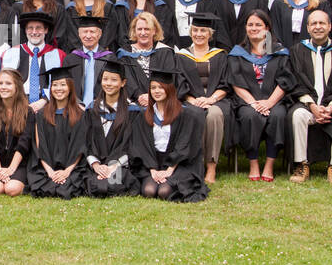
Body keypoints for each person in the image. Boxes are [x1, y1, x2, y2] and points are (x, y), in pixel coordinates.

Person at [287, 8, 332, 184]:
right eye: (314, 23)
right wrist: (312, 106)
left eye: (322, 23)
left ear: (329, 26)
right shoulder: (297, 50)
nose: (318, 27)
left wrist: (330, 107)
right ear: (308, 27)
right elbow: (296, 82)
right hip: (308, 104)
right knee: (296, 115)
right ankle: (301, 164)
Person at [226, 9, 294, 181]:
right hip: (248, 101)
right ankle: (253, 163)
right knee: (249, 116)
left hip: (274, 100)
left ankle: (269, 165)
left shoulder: (279, 51)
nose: (254, 28)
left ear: (267, 28)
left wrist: (270, 102)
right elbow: (235, 81)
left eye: (258, 25)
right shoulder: (238, 53)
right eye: (250, 25)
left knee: (278, 115)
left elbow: (284, 81)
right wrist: (254, 103)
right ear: (245, 28)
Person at [128, 62, 208, 201]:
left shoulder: (184, 115)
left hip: (178, 164)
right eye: (153, 88)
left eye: (161, 87)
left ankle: (170, 178)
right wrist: (153, 170)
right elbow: (140, 146)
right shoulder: (144, 115)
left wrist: (169, 170)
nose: (156, 91)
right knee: (149, 190)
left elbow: (184, 145)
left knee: (164, 192)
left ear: (169, 89)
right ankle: (154, 176)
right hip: (151, 163)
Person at [176, 13, 230, 184]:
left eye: (203, 31)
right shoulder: (182, 56)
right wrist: (193, 100)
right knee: (194, 114)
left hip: (216, 99)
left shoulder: (220, 55)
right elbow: (179, 83)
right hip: (190, 100)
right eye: (195, 30)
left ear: (209, 34)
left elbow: (226, 83)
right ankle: (195, 165)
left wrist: (211, 99)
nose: (199, 34)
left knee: (214, 115)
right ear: (191, 32)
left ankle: (211, 166)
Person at [83, 59, 142, 196]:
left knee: (110, 186)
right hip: (96, 166)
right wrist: (96, 165)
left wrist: (115, 166)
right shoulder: (92, 110)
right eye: (105, 79)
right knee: (96, 186)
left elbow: (135, 145)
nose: (108, 84)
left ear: (123, 83)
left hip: (121, 165)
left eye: (114, 80)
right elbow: (85, 141)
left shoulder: (132, 112)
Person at [29, 67, 87, 199]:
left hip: (71, 168)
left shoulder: (79, 115)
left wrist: (67, 172)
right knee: (45, 187)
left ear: (70, 87)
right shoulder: (42, 114)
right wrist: (50, 172)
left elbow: (80, 147)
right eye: (54, 85)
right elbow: (39, 146)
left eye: (63, 85)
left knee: (67, 189)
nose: (58, 88)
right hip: (47, 167)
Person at [0, 69, 33, 197]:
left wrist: (11, 169)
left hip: (19, 164)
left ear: (17, 87)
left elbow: (24, 143)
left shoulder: (28, 112)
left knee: (12, 189)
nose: (3, 87)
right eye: (1, 83)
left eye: (8, 84)